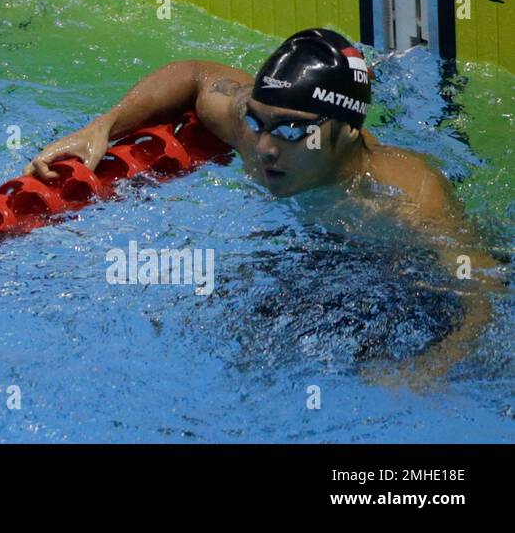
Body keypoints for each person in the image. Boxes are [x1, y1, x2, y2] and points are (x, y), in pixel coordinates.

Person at [25, 28, 502, 384]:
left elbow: (486, 291)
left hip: (395, 272)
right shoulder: (254, 129)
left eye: (293, 130)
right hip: (310, 245)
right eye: (259, 121)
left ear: (347, 130)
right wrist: (105, 125)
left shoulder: (408, 196)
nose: (268, 147)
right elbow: (194, 75)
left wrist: (431, 369)